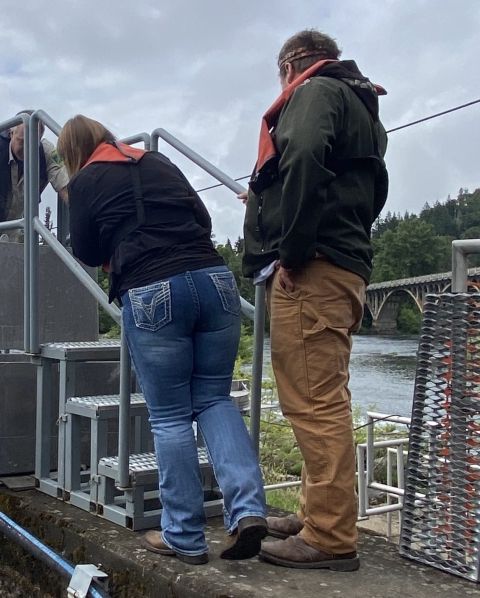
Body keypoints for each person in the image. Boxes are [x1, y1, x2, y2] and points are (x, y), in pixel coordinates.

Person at [59, 115, 267, 565]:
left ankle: (185, 536)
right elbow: (203, 217)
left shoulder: (85, 180)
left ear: (72, 154)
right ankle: (248, 509)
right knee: (215, 399)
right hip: (215, 281)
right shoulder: (155, 159)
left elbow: (87, 251)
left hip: (153, 289)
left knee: (170, 416)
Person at [240, 30, 388, 571]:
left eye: (280, 72)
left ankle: (328, 537)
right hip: (345, 265)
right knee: (326, 397)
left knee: (312, 402)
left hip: (314, 269)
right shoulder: (360, 105)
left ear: (292, 64)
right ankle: (315, 513)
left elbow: (301, 152)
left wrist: (295, 250)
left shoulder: (315, 91)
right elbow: (374, 187)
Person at [0, 110, 69, 240]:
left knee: (9, 255)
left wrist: (83, 213)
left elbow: (65, 186)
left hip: (12, 217)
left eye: (33, 143)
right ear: (11, 133)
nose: (27, 148)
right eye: (22, 142)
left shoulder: (47, 152)